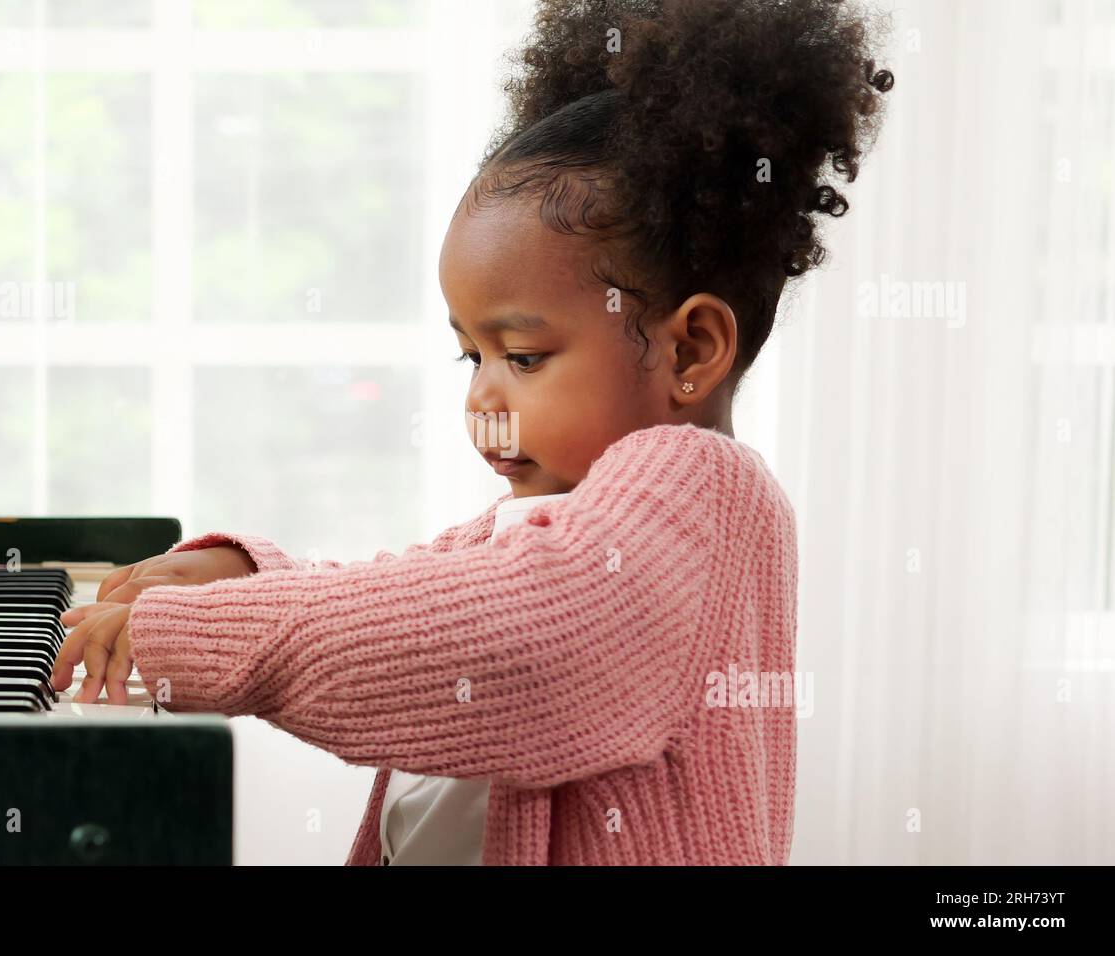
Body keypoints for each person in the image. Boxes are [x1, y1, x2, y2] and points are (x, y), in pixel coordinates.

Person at [51, 0, 893, 865]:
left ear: (693, 348)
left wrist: (206, 638)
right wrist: (241, 574)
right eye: (470, 358)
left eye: (523, 356)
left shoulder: (701, 492)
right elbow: (410, 593)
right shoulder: (552, 517)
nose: (482, 401)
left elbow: (518, 639)